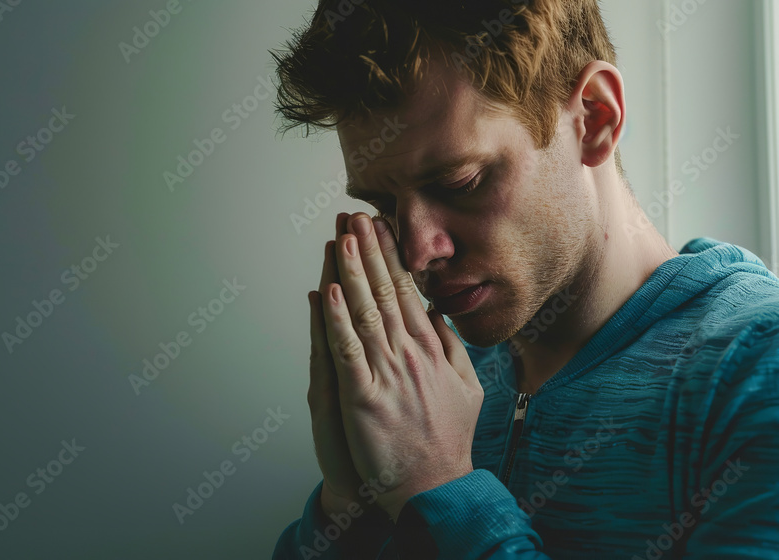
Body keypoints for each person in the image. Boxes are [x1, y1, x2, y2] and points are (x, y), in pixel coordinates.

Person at [268, 0, 779, 558]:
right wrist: (351, 510)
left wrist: (440, 490)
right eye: (382, 203)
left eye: (461, 182)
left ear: (594, 117)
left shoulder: (757, 371)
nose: (416, 252)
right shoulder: (416, 397)